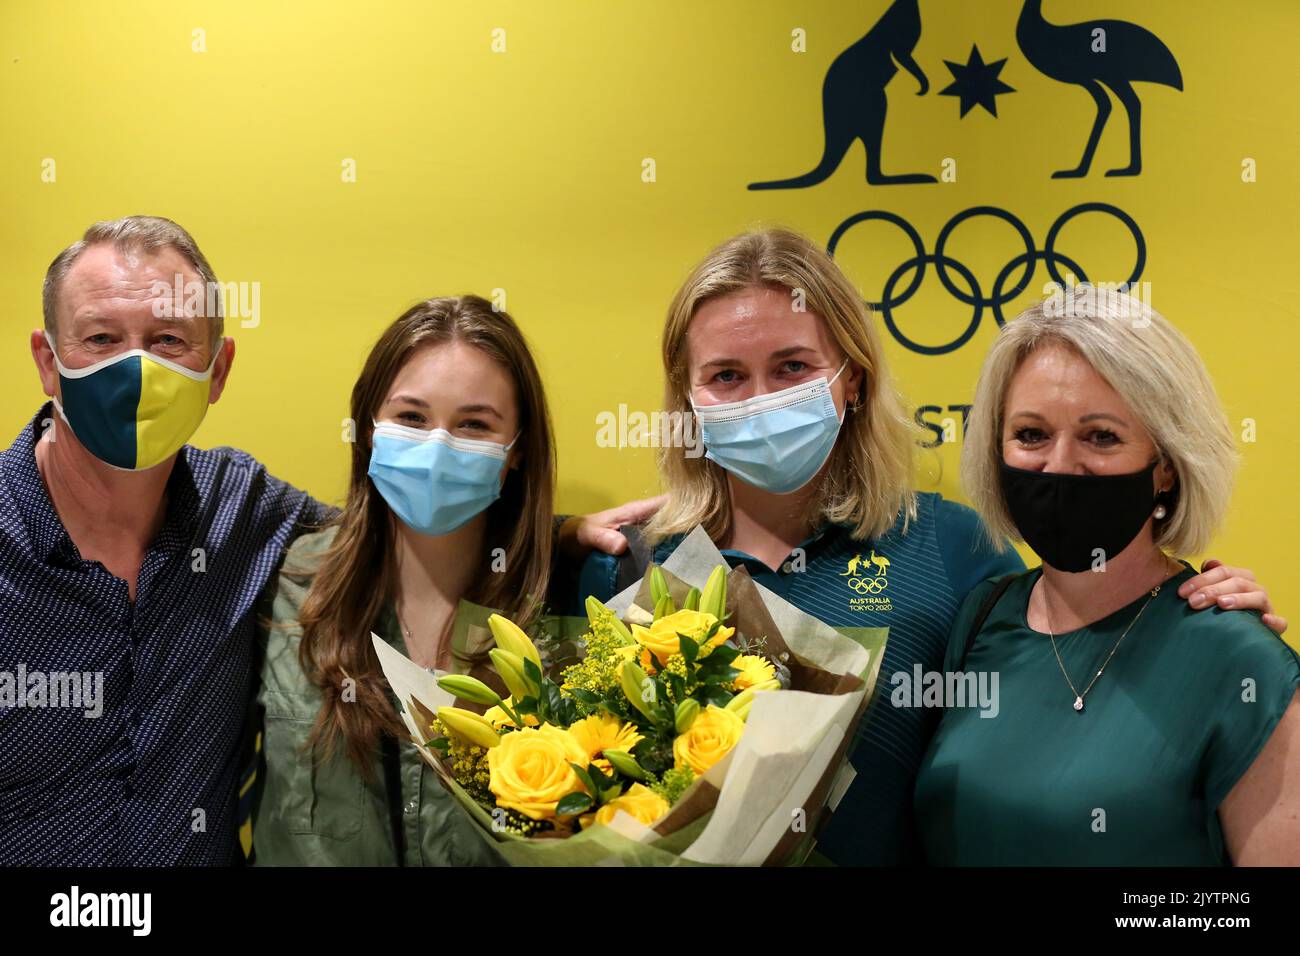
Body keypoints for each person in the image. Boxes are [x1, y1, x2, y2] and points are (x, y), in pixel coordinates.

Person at [558, 227, 1287, 865]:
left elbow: (1080, 637)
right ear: (685, 397)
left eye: (792, 367)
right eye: (725, 376)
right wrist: (555, 535)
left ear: (852, 380)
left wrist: (1203, 616)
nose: (760, 398)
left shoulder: (949, 545)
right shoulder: (623, 565)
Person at [913, 286, 1299, 865]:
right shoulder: (981, 618)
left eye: (1101, 437)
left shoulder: (1243, 663)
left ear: (1165, 467)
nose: (1060, 465)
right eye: (1030, 435)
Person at [0, 216, 325, 864]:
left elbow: (394, 536)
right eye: (101, 338)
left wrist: (561, 534)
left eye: (168, 339)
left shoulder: (243, 510)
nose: (137, 370)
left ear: (218, 369)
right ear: (47, 360)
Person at [251, 296, 555, 865]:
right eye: (411, 418)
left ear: (516, 451)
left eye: (474, 425)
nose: (437, 446)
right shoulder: (283, 582)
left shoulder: (566, 609)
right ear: (367, 428)